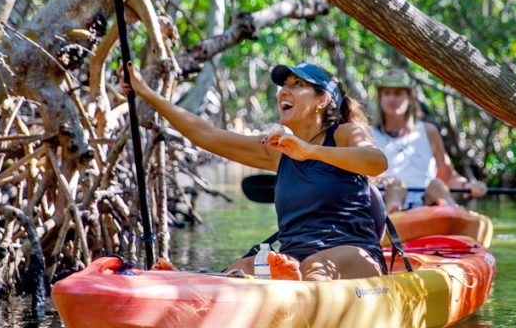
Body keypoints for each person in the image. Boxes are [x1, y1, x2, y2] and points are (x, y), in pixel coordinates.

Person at [121, 61, 389, 280]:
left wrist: (308, 151)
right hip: (292, 259)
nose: (284, 91)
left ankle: (289, 287)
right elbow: (207, 134)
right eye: (283, 85)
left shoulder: (343, 134)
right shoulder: (279, 150)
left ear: (322, 101)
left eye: (298, 85)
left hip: (353, 254)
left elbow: (376, 161)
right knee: (243, 267)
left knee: (315, 268)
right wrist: (146, 92)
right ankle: (193, 284)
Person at [372, 68, 487, 213]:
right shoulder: (367, 134)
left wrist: (468, 186)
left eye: (398, 93)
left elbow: (447, 176)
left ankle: (452, 212)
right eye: (387, 93)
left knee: (437, 185)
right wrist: (380, 180)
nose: (392, 99)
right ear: (380, 98)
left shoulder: (428, 131)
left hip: (426, 204)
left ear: (410, 97)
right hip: (387, 200)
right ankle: (392, 217)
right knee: (396, 186)